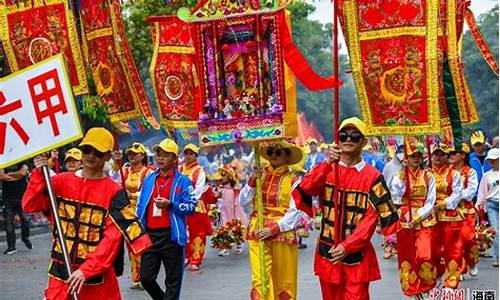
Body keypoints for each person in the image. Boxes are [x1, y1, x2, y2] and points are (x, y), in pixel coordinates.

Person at [22, 127, 151, 300]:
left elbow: (112, 239)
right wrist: (38, 173)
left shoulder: (114, 192)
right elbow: (30, 205)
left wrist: (86, 270)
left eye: (97, 152)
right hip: (61, 274)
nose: (90, 155)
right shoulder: (59, 182)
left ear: (107, 156)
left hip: (97, 281)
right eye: (87, 149)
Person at [297, 117, 399, 300]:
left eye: (354, 136)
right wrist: (327, 164)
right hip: (327, 254)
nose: (348, 140)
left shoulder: (373, 176)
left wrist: (348, 245)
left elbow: (371, 217)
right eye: (343, 135)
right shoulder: (326, 169)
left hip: (357, 258)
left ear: (363, 142)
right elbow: (306, 187)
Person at [239, 140, 306, 299]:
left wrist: (274, 228)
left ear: (287, 156)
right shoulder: (258, 175)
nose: (273, 155)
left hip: (281, 234)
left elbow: (296, 211)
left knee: (284, 284)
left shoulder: (294, 181)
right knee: (259, 282)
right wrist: (252, 181)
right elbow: (244, 202)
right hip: (258, 232)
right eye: (270, 152)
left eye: (278, 152)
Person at [136, 138, 197, 300]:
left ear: (175, 159)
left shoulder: (183, 181)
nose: (160, 158)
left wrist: (171, 205)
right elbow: (140, 204)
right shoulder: (149, 179)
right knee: (146, 278)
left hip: (172, 236)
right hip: (150, 235)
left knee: (173, 281)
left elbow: (191, 207)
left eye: (165, 155)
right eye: (158, 154)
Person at [391, 139, 437, 300]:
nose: (416, 159)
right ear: (406, 158)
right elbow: (396, 196)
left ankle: (426, 285)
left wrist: (418, 216)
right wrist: (403, 179)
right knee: (407, 255)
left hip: (424, 218)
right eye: (412, 156)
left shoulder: (428, 176)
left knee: (425, 254)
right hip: (405, 217)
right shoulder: (399, 176)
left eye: (418, 155)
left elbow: (431, 200)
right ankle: (412, 289)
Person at [430, 142, 464, 290]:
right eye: (435, 154)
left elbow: (457, 194)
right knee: (431, 249)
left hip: (449, 216)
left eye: (442, 154)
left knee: (452, 249)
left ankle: (451, 280)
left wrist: (443, 204)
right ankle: (436, 275)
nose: (438, 157)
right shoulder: (426, 173)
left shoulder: (454, 174)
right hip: (430, 216)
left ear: (448, 157)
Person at [122, 142, 153, 289]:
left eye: (135, 153)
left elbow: (149, 192)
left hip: (141, 212)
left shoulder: (148, 173)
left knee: (142, 244)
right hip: (127, 213)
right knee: (131, 245)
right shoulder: (125, 171)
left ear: (142, 155)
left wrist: (132, 195)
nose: (132, 156)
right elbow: (117, 185)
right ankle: (136, 276)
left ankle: (145, 275)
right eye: (130, 154)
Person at [179, 143, 213, 271]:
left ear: (195, 156)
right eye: (186, 153)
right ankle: (187, 256)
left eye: (191, 153)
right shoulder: (179, 168)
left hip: (195, 205)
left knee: (197, 233)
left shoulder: (199, 170)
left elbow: (199, 189)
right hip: (181, 205)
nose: (188, 156)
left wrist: (189, 201)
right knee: (184, 232)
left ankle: (196, 258)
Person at [451, 144, 479, 277]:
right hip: (451, 211)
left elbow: (471, 192)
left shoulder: (470, 172)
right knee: (454, 240)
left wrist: (455, 195)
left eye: (455, 153)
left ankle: (472, 261)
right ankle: (459, 268)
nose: (451, 155)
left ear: (463, 155)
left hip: (466, 210)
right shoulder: (447, 171)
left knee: (467, 238)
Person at [214, 165, 247, 256]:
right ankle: (225, 248)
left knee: (235, 228)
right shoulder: (222, 187)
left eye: (224, 174)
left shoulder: (234, 188)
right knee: (224, 227)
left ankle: (239, 245)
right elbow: (217, 196)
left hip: (233, 212)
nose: (222, 177)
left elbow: (238, 198)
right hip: (224, 212)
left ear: (230, 176)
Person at [476, 148, 499, 267]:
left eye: (494, 160)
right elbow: (482, 192)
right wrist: (478, 206)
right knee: (496, 231)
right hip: (492, 205)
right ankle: (498, 258)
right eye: (490, 160)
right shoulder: (487, 175)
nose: (492, 162)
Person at [2, 161, 31, 255]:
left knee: (26, 220)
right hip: (8, 198)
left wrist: (8, 175)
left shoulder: (22, 159)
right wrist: (17, 176)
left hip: (22, 197)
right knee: (9, 223)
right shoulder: (3, 161)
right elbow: (1, 176)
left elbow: (22, 172)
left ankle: (25, 237)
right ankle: (11, 247)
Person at [469, 131, 491, 196]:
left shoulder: (491, 156)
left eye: (480, 144)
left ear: (484, 142)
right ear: (472, 145)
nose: (478, 147)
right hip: (476, 195)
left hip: (492, 193)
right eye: (476, 145)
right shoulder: (469, 158)